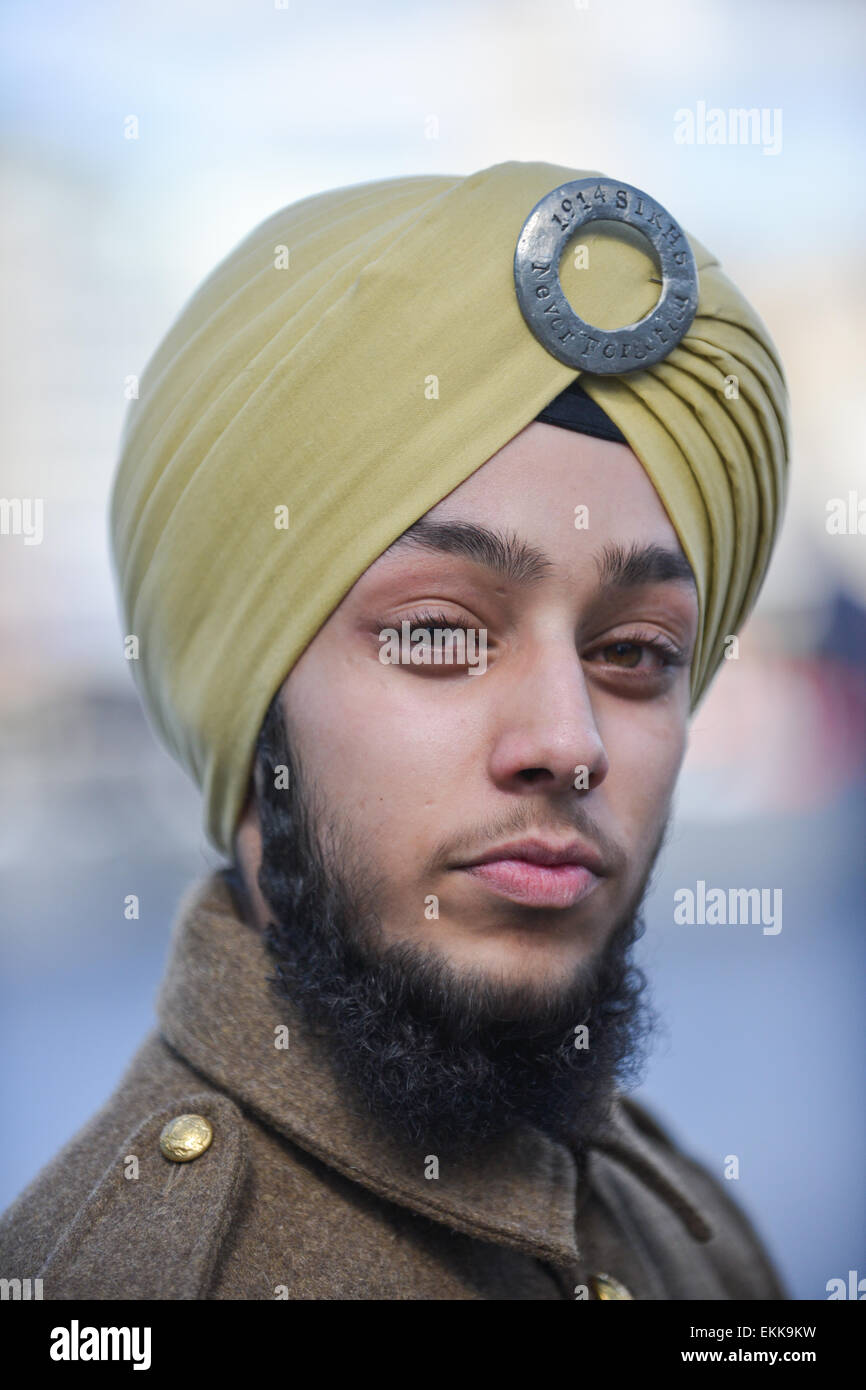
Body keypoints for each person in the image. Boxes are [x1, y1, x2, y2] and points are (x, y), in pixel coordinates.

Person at [0, 161, 789, 1300]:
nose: (569, 743)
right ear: (252, 707)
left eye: (633, 653)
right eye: (436, 634)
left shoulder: (687, 1232)